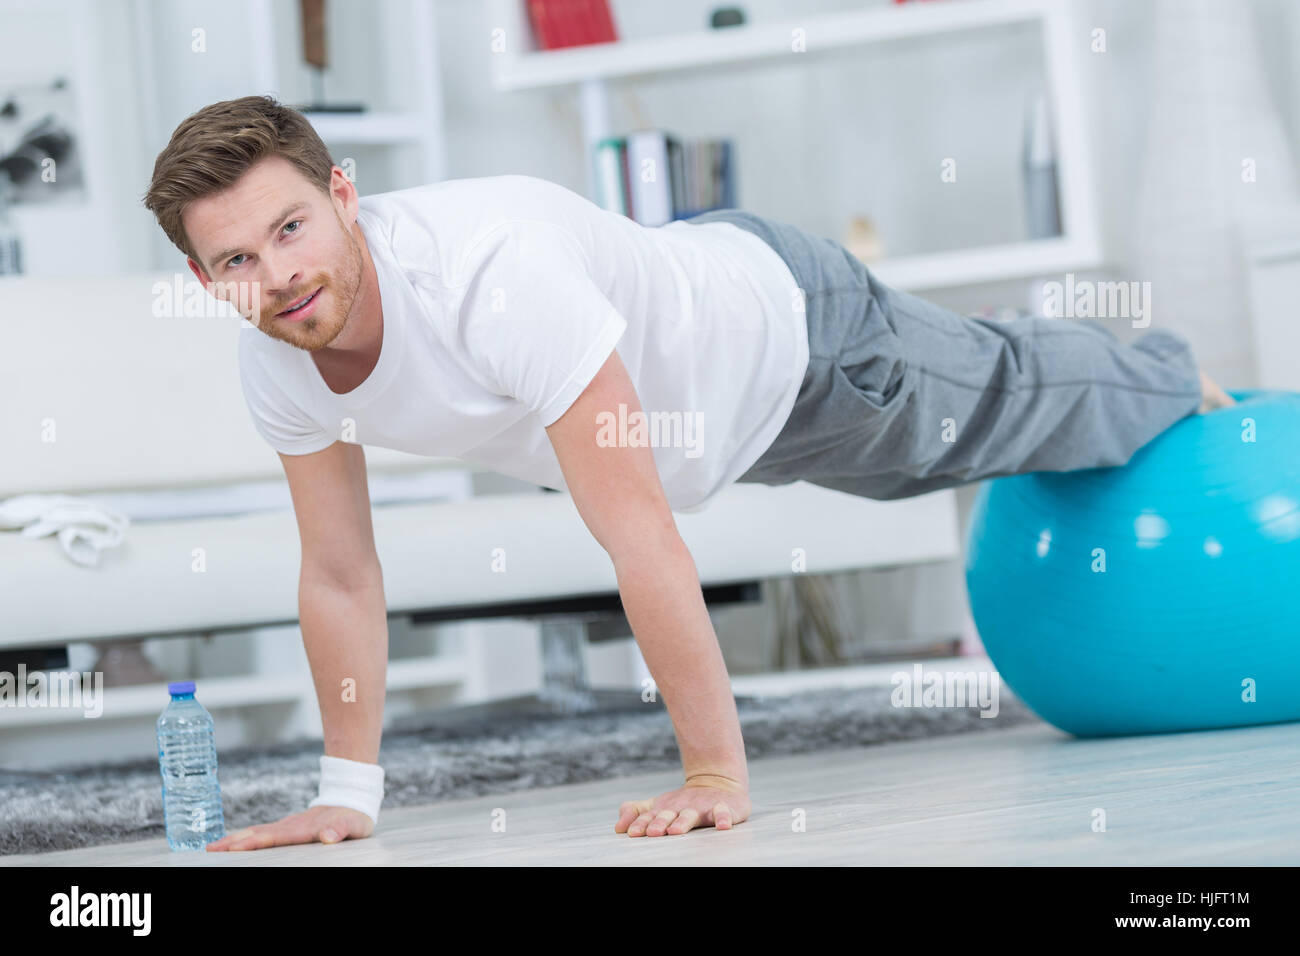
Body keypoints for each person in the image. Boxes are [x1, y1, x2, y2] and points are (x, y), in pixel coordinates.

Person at [142, 96, 1234, 850]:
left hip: (801, 348)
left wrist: (714, 775)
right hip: (706, 378)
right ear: (202, 276)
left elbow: (637, 533)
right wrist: (346, 794)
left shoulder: (491, 278)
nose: (277, 275)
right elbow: (340, 574)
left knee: (993, 417)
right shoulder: (277, 361)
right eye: (236, 258)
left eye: (290, 227)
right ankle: (984, 345)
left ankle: (1169, 377)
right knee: (963, 395)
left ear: (343, 192)